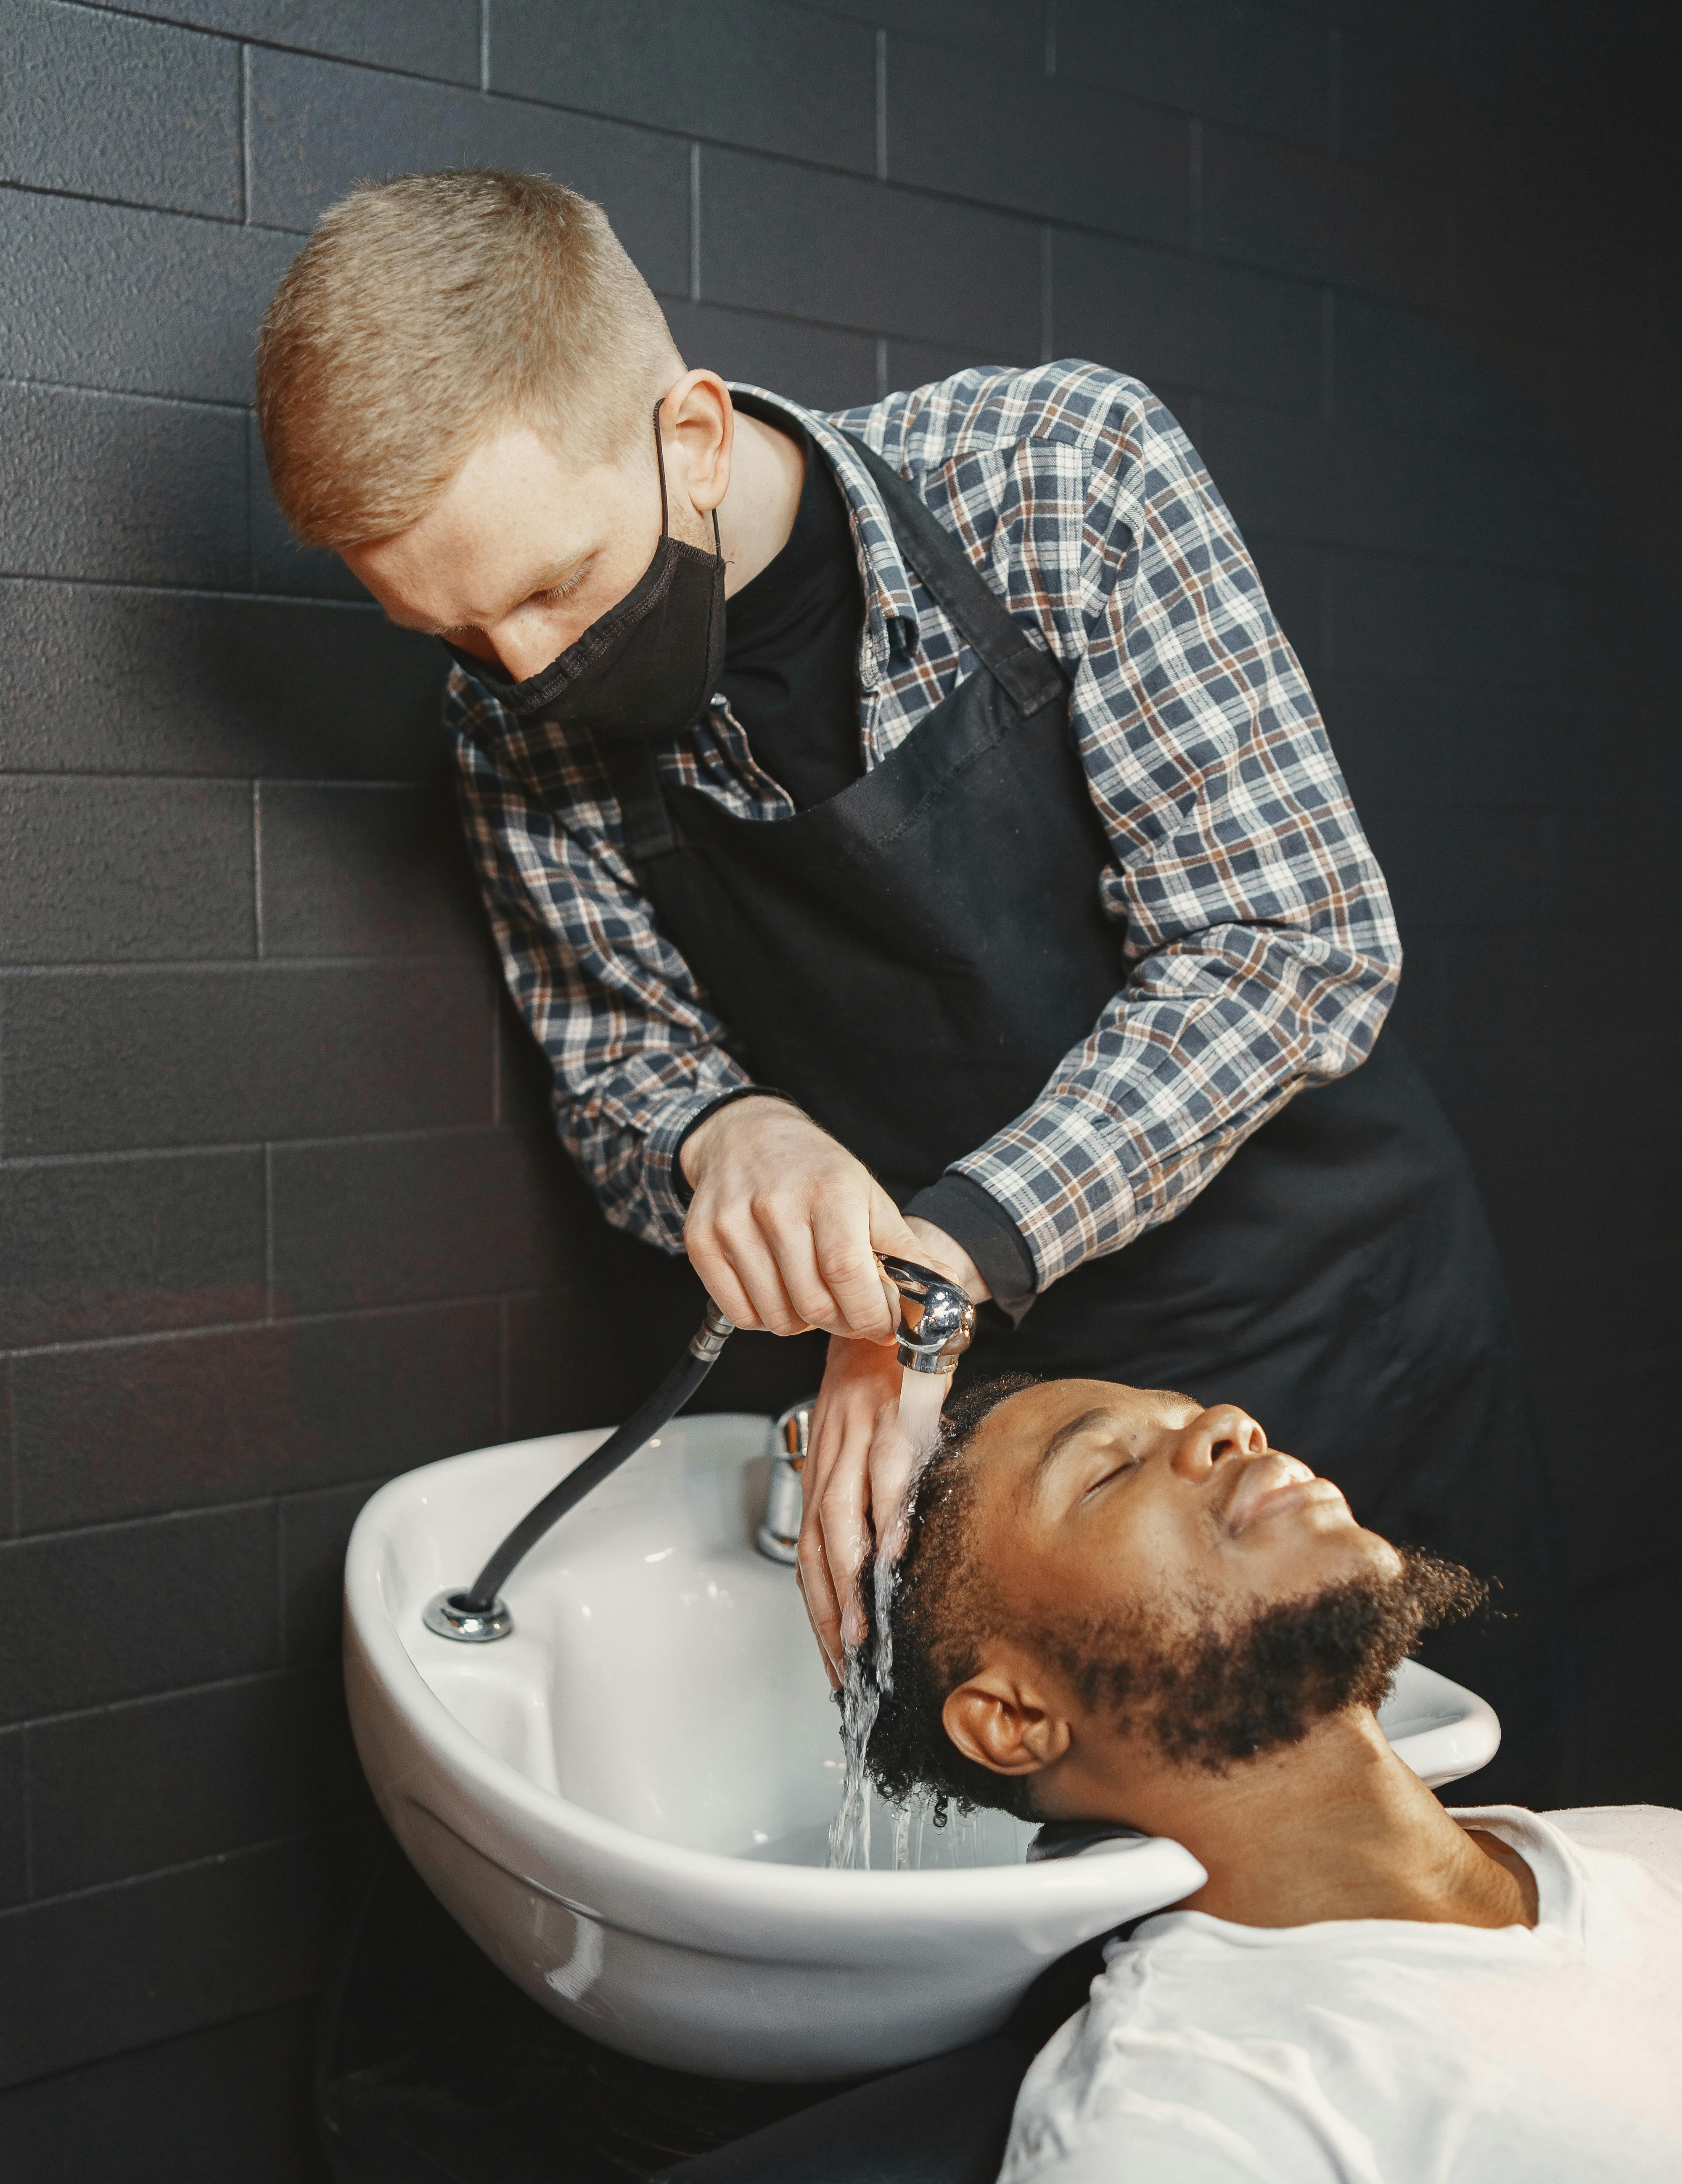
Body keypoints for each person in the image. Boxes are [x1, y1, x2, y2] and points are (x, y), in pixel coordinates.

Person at [255, 168, 1560, 1792]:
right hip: (1002, 1431)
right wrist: (727, 1133)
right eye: (452, 635)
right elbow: (618, 1068)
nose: (523, 672)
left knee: (1442, 1846)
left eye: (550, 586)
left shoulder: (1061, 477)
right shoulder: (506, 729)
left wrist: (949, 1257)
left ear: (697, 434)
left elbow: (1291, 948)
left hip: (1324, 1315)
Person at [860, 1373, 1681, 2184]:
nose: (1226, 1425)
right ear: (1013, 1718)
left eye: (1194, 1411)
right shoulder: (1188, 2143)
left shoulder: (1650, 1843)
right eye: (1107, 1471)